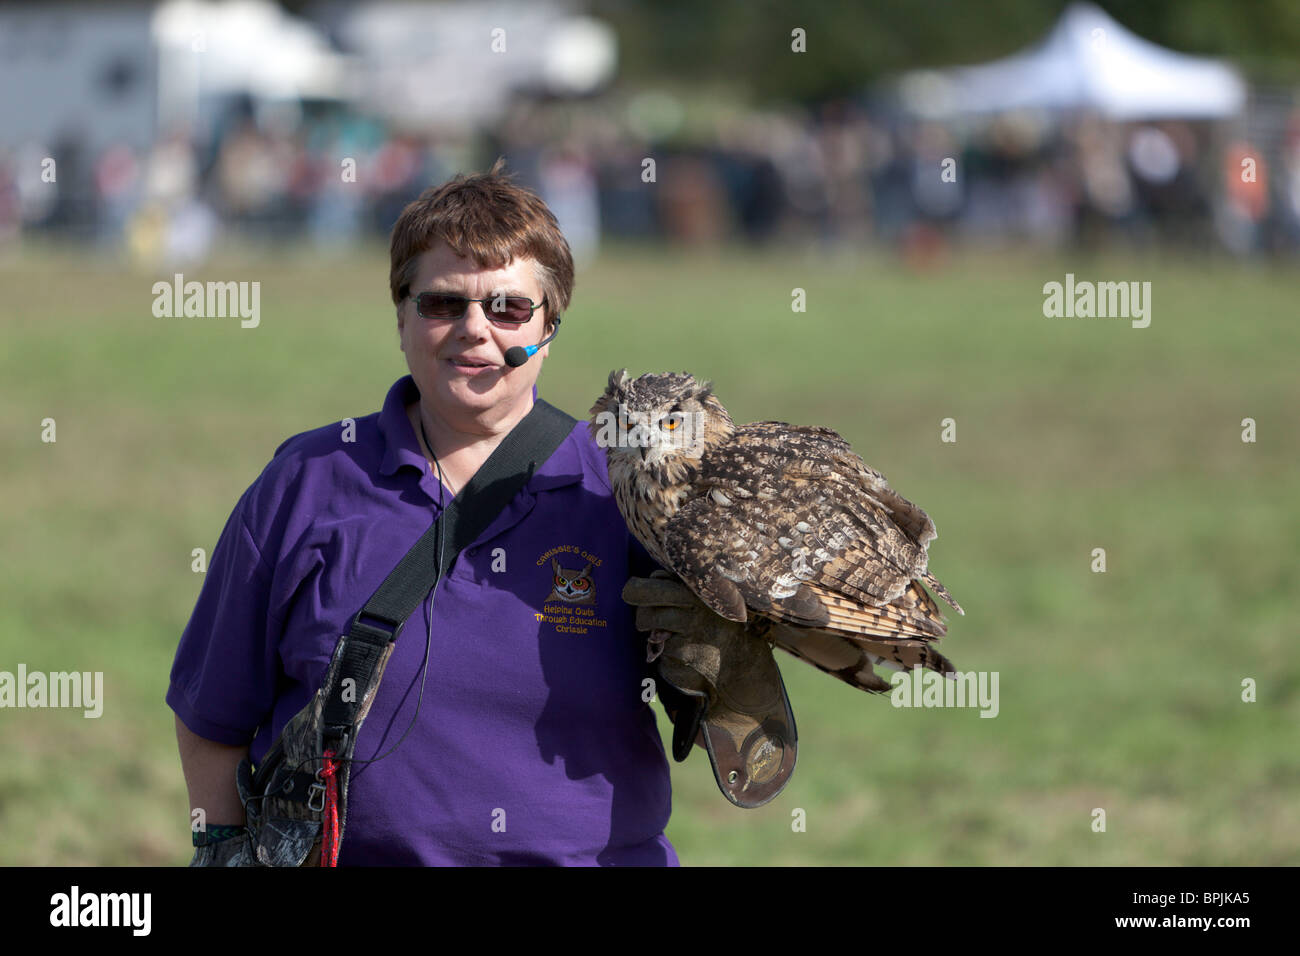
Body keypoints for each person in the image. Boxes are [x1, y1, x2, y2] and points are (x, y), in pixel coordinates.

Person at [168, 159, 681, 866]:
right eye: (443, 304)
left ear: (550, 325)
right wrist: (220, 850)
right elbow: (212, 714)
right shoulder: (309, 480)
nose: (475, 330)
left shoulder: (629, 490)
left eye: (508, 308)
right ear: (401, 317)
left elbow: (724, 702)